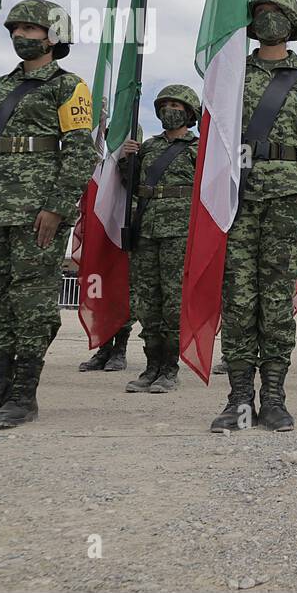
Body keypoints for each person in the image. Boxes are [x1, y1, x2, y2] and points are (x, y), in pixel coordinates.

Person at [0, 0, 97, 428]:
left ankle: (23, 394)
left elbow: (80, 152)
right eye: (16, 29)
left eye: (31, 29)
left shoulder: (68, 86)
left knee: (33, 302)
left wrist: (58, 207)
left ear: (53, 35)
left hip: (37, 211)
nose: (21, 36)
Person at [210, 0, 297, 434]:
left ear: (290, 22)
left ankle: (275, 398)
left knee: (275, 301)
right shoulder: (230, 74)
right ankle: (239, 398)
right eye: (258, 12)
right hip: (236, 196)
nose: (265, 19)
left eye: (274, 12)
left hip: (287, 197)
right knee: (239, 300)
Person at [121, 85, 200, 394]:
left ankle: (169, 368)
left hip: (179, 233)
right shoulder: (148, 147)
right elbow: (130, 184)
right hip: (145, 230)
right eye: (165, 104)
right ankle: (151, 365)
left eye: (177, 105)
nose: (170, 109)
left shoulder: (198, 148)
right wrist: (127, 160)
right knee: (146, 302)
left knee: (173, 303)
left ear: (190, 112)